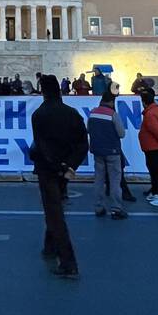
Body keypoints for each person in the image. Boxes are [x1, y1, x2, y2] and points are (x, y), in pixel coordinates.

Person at [29, 74, 89, 279]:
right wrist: (70, 165)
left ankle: (68, 262)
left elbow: (42, 145)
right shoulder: (73, 114)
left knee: (55, 214)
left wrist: (57, 165)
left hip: (48, 170)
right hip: (65, 171)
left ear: (43, 91)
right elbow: (82, 143)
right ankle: (49, 246)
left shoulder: (39, 115)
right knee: (55, 208)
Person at [87, 91, 129, 220]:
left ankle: (99, 207)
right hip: (112, 151)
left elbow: (88, 129)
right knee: (115, 180)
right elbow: (121, 133)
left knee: (99, 179)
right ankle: (116, 209)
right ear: (111, 102)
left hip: (97, 151)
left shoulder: (93, 112)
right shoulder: (113, 114)